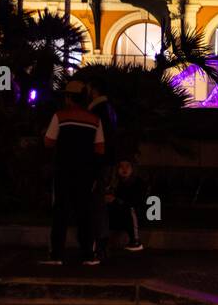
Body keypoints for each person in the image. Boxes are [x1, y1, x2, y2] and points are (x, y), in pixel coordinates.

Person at [42, 80, 106, 266]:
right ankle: (88, 254)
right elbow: (100, 149)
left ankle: (56, 255)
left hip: (63, 170)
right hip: (86, 173)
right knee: (85, 213)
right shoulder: (95, 120)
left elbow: (48, 142)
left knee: (60, 212)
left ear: (69, 98)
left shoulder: (60, 116)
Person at [86, 77, 118, 258]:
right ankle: (102, 242)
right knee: (101, 202)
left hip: (99, 162)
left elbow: (98, 140)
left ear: (94, 89)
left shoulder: (97, 111)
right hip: (107, 161)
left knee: (97, 203)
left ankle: (99, 243)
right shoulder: (110, 109)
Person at [104, 159, 148, 252]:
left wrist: (116, 200)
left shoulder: (138, 183)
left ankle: (136, 241)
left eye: (127, 166)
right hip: (119, 215)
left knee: (130, 209)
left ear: (132, 169)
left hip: (135, 215)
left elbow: (135, 202)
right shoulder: (115, 182)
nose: (124, 169)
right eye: (121, 166)